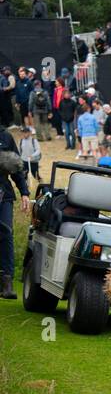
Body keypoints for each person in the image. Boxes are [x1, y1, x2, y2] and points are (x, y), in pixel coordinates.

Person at [0, 127, 30, 300]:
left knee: (6, 233)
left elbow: (17, 168)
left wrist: (24, 192)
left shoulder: (5, 136)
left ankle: (6, 282)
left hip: (3, 194)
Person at [57, 85, 78, 150]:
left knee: (72, 132)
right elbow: (59, 110)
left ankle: (73, 145)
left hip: (71, 120)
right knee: (66, 133)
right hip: (64, 120)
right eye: (65, 94)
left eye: (68, 94)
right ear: (63, 95)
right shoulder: (61, 102)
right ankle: (68, 144)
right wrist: (62, 116)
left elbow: (75, 110)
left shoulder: (73, 102)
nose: (67, 95)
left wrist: (73, 117)